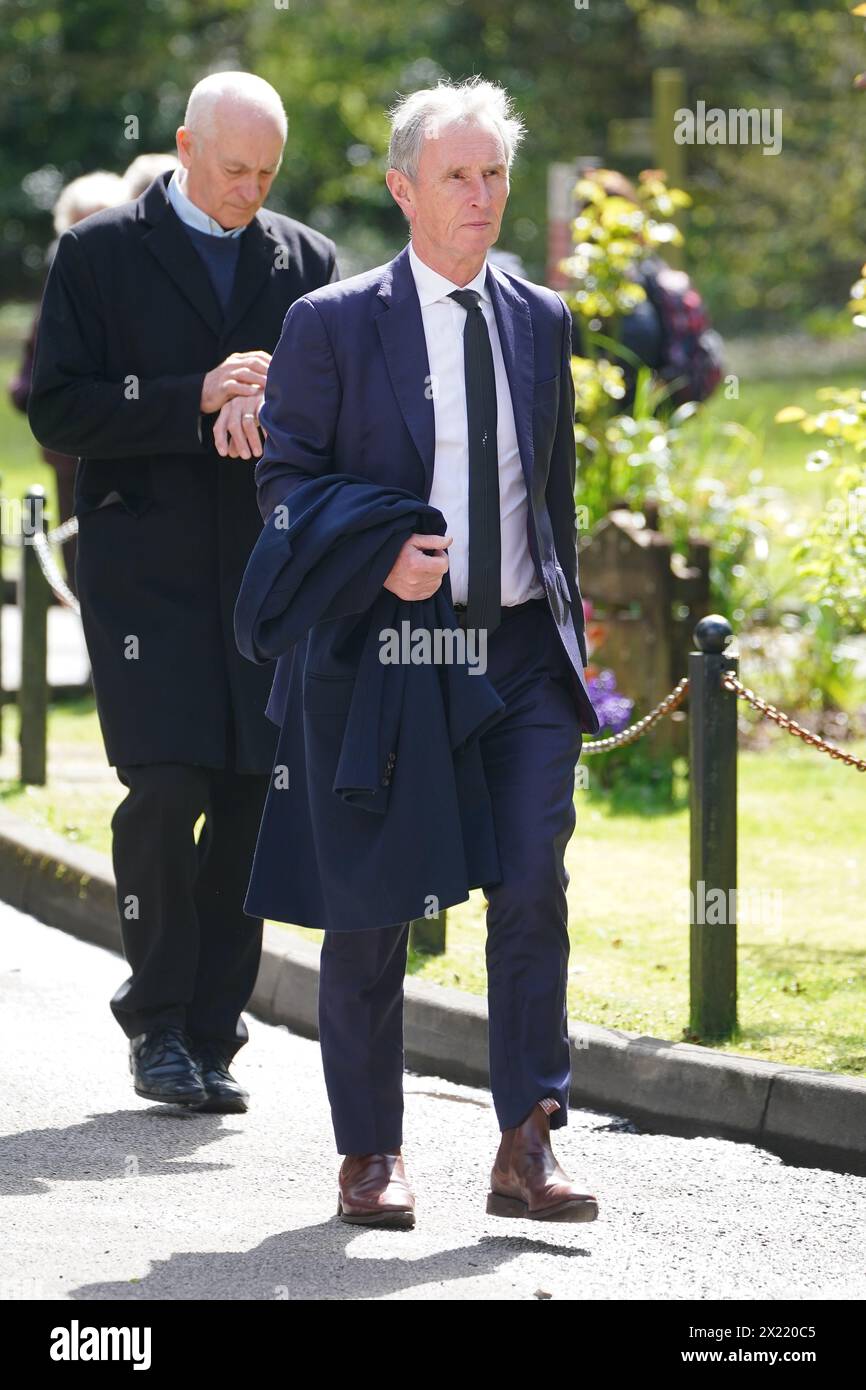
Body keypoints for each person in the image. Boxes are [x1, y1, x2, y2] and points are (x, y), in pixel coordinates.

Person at [248, 77, 601, 1226]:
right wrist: (376, 563)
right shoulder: (333, 323)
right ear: (403, 188)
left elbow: (551, 500)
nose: (480, 195)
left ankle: (527, 1138)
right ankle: (370, 1151)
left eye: (493, 173)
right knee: (373, 904)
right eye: (455, 174)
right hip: (387, 649)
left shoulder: (540, 318)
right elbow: (283, 484)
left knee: (531, 883)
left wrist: (565, 632)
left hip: (515, 654)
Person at [28, 72, 338, 1113]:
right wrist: (188, 397)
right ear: (183, 147)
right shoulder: (98, 252)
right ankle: (156, 1022)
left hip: (263, 573)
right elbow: (58, 410)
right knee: (166, 791)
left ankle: (214, 1029)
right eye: (233, 168)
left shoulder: (307, 261)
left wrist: (276, 411)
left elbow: (337, 418)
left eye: (266, 172)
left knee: (253, 799)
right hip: (143, 585)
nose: (249, 190)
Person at [10, 172, 129, 595]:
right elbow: (27, 382)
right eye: (79, 226)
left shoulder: (139, 292)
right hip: (69, 458)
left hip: (131, 455)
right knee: (81, 572)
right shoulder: (59, 294)